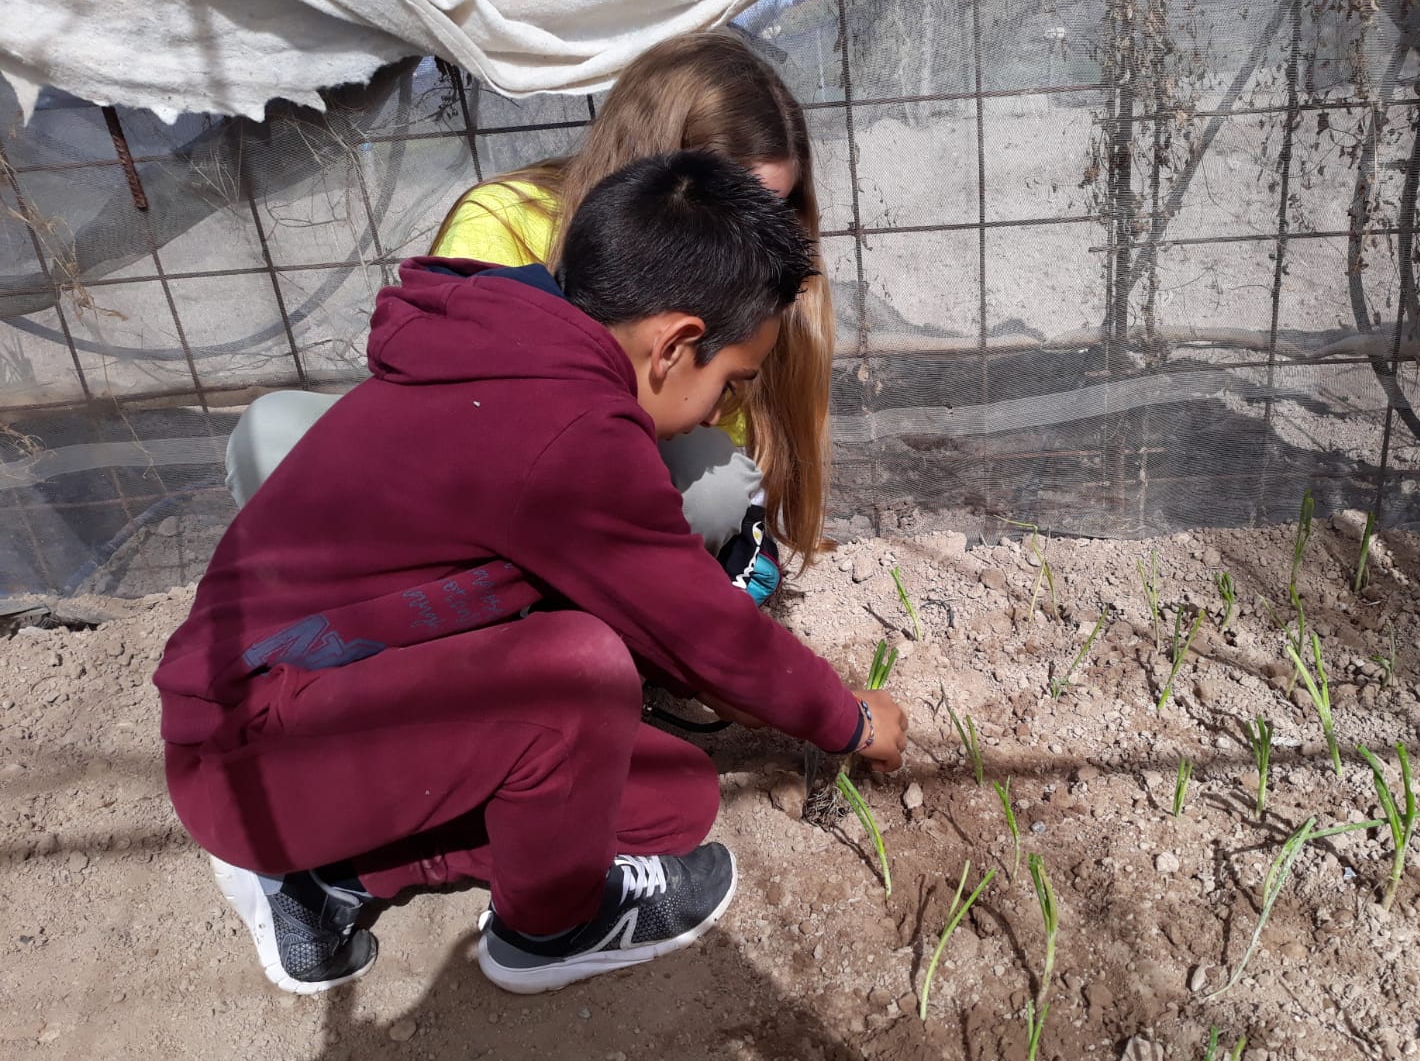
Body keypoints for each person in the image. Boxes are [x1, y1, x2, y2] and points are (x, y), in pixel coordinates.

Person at [154, 151, 909, 997]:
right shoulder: (567, 431)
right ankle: (548, 932)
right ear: (675, 347)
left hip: (342, 713)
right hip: (250, 755)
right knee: (576, 671)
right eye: (729, 382)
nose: (720, 411)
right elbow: (704, 628)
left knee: (672, 800)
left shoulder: (520, 344)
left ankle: (335, 879)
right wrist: (846, 721)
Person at [227, 33, 832, 606]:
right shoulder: (508, 222)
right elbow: (451, 422)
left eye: (778, 211)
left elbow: (712, 437)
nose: (763, 238)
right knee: (273, 427)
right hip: (481, 483)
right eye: (739, 206)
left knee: (715, 479)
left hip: (609, 497)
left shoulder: (756, 291)